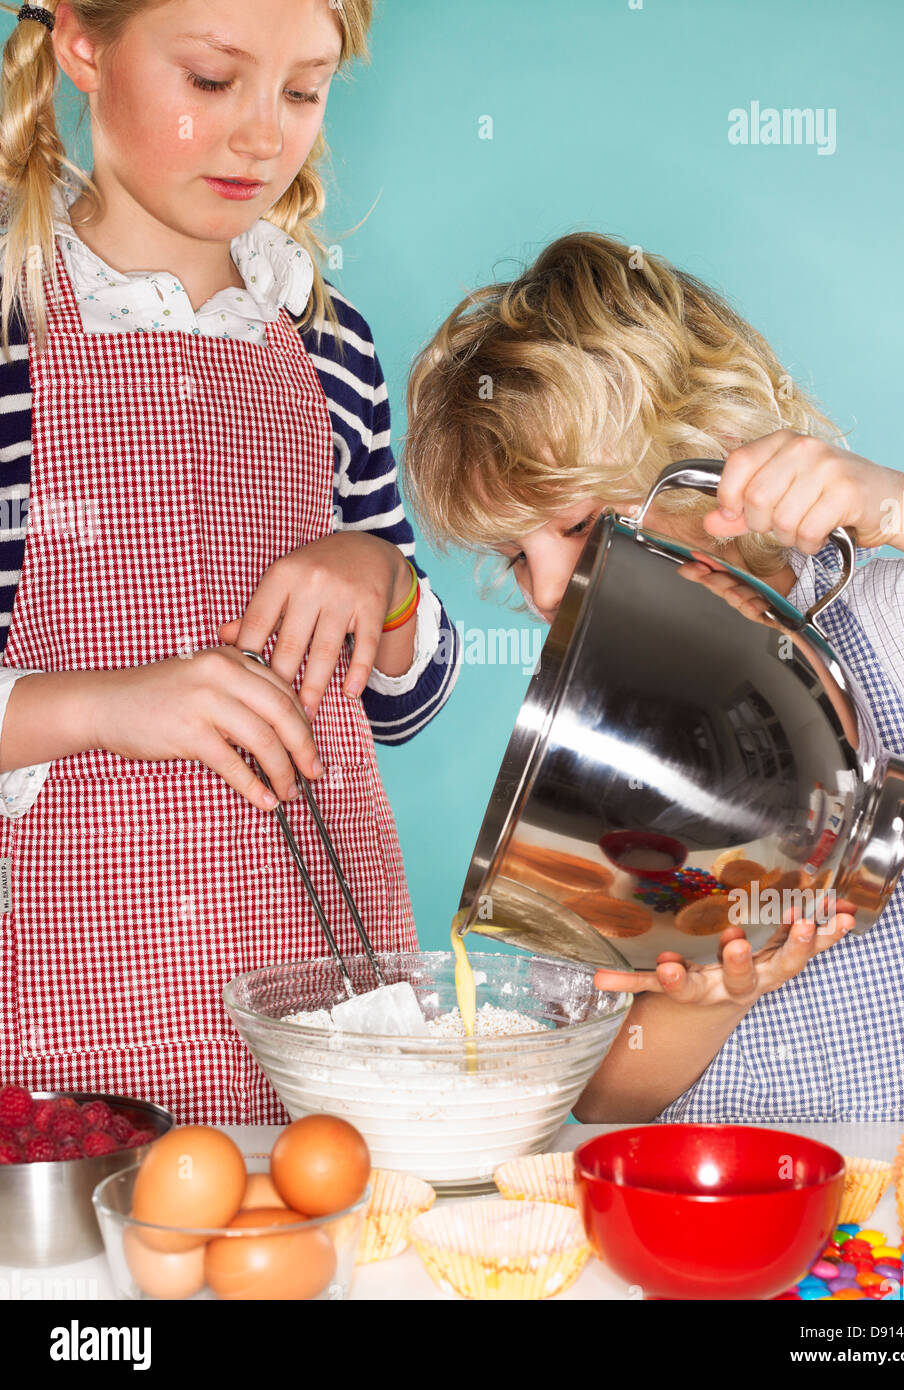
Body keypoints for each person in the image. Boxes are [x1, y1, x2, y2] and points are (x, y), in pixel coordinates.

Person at [0, 0, 459, 1124]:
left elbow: (405, 700)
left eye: (304, 90)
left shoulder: (330, 342)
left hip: (320, 970)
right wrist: (110, 707)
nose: (266, 134)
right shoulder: (14, 323)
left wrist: (380, 578)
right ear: (82, 44)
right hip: (69, 959)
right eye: (214, 80)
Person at [402, 230, 904, 1123]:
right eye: (515, 556)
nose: (547, 586)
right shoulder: (593, 750)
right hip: (720, 1224)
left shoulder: (898, 625)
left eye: (578, 523)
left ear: (707, 454)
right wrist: (714, 993)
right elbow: (600, 1097)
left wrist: (886, 501)